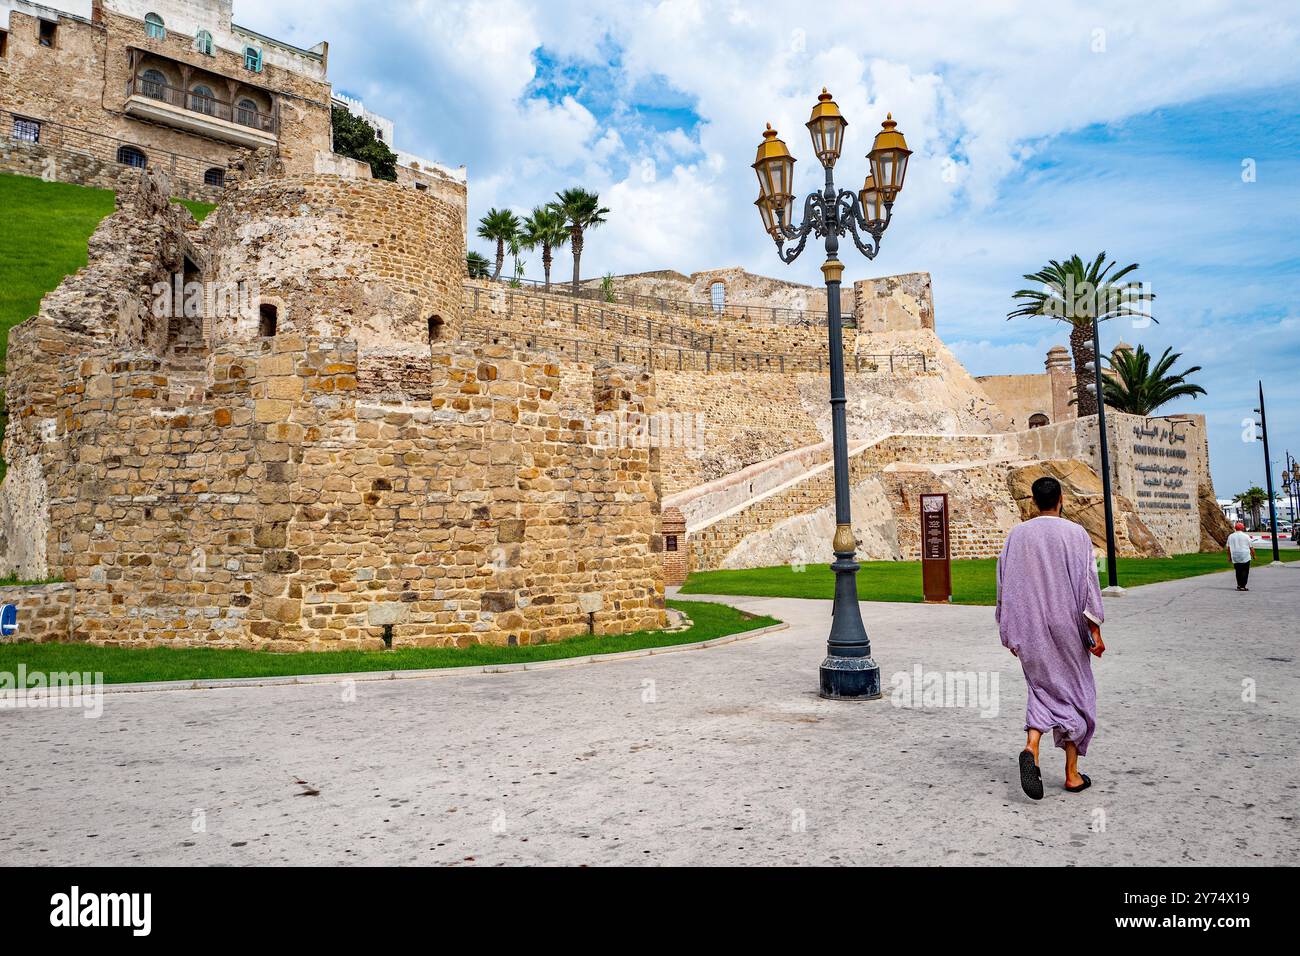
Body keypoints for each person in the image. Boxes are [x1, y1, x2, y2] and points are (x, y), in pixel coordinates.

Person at [996, 475, 1105, 800]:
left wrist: (1010, 630)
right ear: (1061, 500)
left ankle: (1032, 746)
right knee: (1076, 692)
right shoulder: (1076, 534)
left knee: (1041, 689)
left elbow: (1005, 584)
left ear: (1033, 502)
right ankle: (1071, 774)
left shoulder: (1017, 535)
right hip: (1068, 627)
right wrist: (1095, 629)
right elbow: (1088, 583)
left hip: (1030, 629)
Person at [1226, 521, 1255, 591]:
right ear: (1242, 528)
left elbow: (1228, 548)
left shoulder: (1231, 536)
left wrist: (1229, 557)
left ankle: (1239, 585)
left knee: (1238, 571)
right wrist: (1254, 555)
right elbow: (1251, 547)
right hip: (1245, 556)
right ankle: (1243, 586)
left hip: (1235, 556)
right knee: (1245, 571)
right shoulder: (1246, 536)